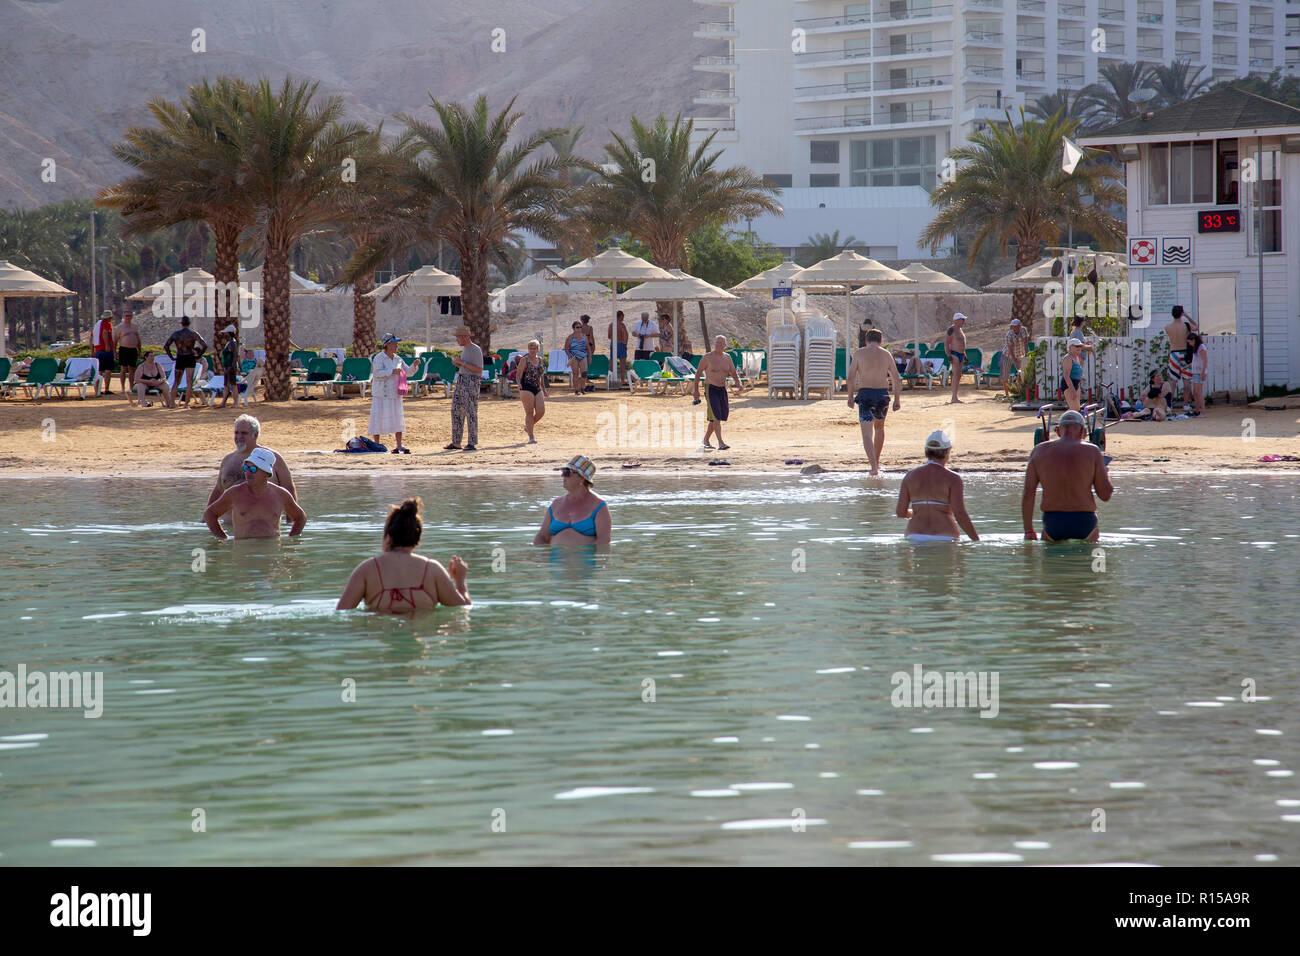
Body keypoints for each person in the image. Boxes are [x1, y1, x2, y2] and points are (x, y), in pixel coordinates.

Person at [337, 497, 471, 612]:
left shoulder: (366, 570)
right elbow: (463, 608)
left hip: (382, 631)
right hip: (421, 630)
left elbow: (341, 612)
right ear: (417, 539)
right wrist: (460, 580)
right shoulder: (433, 569)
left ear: (388, 537)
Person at [1022, 409, 1113, 543]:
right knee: (1089, 562)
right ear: (1082, 432)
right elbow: (1105, 495)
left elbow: (1028, 494)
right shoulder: (1093, 451)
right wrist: (1105, 473)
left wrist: (1028, 530)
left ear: (1058, 431)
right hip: (1085, 521)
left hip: (1053, 521)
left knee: (1051, 563)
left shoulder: (1039, 451)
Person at [209, 414, 296, 531]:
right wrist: (205, 522)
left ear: (255, 435)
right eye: (236, 433)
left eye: (244, 433)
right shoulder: (228, 460)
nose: (239, 436)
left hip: (266, 530)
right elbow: (218, 490)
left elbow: (288, 488)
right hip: (231, 529)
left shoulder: (272, 458)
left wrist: (290, 523)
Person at [203, 447, 306, 539]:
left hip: (272, 552)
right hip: (243, 552)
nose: (248, 473)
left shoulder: (280, 495)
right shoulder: (234, 493)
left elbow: (300, 517)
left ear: (267, 474)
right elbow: (210, 514)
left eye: (253, 469)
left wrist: (292, 541)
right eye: (246, 468)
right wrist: (224, 539)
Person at [896, 430, 979, 543]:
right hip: (945, 536)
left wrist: (918, 511)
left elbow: (901, 512)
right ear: (947, 451)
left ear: (926, 451)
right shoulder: (953, 478)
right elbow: (959, 513)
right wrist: (976, 540)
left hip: (915, 536)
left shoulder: (910, 476)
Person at [845, 328, 903, 477]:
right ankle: (876, 463)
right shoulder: (886, 354)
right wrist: (897, 399)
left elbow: (850, 377)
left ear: (866, 340)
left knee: (866, 434)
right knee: (879, 429)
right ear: (881, 341)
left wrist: (850, 396)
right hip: (882, 395)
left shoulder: (859, 353)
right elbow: (896, 378)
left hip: (865, 395)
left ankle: (874, 468)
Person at [533, 455, 612, 546]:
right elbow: (542, 536)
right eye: (563, 471)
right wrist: (538, 555)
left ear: (582, 478)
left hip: (585, 558)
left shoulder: (599, 506)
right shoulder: (556, 504)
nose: (562, 475)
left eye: (567, 472)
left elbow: (604, 540)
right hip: (556, 559)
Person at [692, 335, 744, 451]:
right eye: (716, 343)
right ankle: (721, 443)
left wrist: (738, 384)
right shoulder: (708, 357)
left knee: (717, 416)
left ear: (725, 345)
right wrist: (696, 391)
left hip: (722, 389)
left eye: (721, 343)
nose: (718, 345)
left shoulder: (727, 357)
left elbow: (734, 373)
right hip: (710, 388)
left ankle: (706, 440)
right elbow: (698, 373)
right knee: (716, 416)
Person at [368, 333, 416, 453]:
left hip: (394, 393)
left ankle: (399, 445)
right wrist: (391, 371)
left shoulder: (398, 358)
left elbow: (408, 372)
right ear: (387, 345)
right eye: (394, 343)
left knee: (397, 419)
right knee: (378, 418)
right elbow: (377, 374)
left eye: (396, 343)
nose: (396, 346)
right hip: (381, 393)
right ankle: (376, 444)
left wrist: (414, 366)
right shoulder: (379, 358)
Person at [446, 325, 483, 451]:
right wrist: (459, 364)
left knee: (471, 412)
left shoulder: (475, 349)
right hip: (462, 380)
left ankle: (472, 442)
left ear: (465, 337)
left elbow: (479, 369)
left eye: (458, 337)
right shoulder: (466, 349)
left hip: (471, 382)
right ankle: (456, 442)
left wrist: (461, 363)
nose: (457, 340)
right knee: (456, 411)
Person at [164, 316, 208, 408]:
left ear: (181, 323)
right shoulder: (193, 334)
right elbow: (204, 345)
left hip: (180, 357)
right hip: (189, 357)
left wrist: (172, 357)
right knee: (189, 382)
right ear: (189, 323)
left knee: (176, 381)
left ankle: (172, 403)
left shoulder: (176, 334)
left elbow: (166, 346)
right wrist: (199, 356)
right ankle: (186, 404)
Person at [516, 338, 548, 443]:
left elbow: (541, 375)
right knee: (529, 412)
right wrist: (519, 384)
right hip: (526, 387)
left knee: (541, 411)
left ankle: (528, 426)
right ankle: (531, 436)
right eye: (530, 348)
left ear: (538, 349)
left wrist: (544, 388)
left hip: (537, 387)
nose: (532, 350)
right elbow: (518, 374)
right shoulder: (524, 360)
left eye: (534, 348)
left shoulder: (540, 360)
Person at [1164, 306, 1194, 400]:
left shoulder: (1167, 327)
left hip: (1174, 354)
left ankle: (1170, 404)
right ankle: (1186, 404)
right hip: (1185, 353)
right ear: (1182, 313)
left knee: (1173, 381)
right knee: (1186, 380)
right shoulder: (1186, 325)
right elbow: (1196, 326)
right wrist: (1187, 316)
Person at [1000, 318, 1028, 397]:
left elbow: (1025, 342)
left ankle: (1021, 392)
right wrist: (1015, 361)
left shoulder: (1023, 330)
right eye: (1013, 327)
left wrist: (1027, 355)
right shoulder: (1009, 334)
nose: (1014, 328)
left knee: (1023, 373)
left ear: (1020, 326)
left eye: (1016, 326)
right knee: (1005, 374)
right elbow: (1010, 348)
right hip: (1008, 355)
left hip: (1020, 354)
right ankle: (1006, 394)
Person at [116, 310, 141, 396]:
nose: (128, 317)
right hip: (123, 349)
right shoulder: (120, 327)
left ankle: (131, 387)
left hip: (133, 349)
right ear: (124, 316)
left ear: (132, 317)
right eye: (126, 316)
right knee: (123, 369)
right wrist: (115, 352)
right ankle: (122, 387)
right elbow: (115, 340)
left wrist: (139, 350)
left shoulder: (134, 327)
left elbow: (138, 339)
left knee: (132, 369)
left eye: (129, 316)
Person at [92, 310, 116, 395]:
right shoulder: (107, 324)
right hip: (106, 349)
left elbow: (91, 338)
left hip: (98, 350)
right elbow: (105, 333)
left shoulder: (97, 325)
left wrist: (92, 350)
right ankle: (106, 389)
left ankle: (97, 390)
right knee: (108, 369)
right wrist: (107, 345)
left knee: (99, 370)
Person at [215, 324, 240, 408]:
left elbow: (235, 355)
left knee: (233, 384)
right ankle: (223, 403)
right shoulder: (229, 342)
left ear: (229, 333)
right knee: (226, 385)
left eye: (226, 333)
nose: (224, 334)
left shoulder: (232, 342)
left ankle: (236, 402)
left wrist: (232, 366)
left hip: (230, 366)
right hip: (227, 366)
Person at [945, 312, 967, 403]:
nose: (963, 321)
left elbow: (962, 343)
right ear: (957, 320)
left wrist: (965, 355)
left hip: (961, 354)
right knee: (955, 375)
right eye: (962, 320)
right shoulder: (951, 330)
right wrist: (949, 355)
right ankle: (953, 397)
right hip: (954, 354)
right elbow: (946, 343)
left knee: (959, 375)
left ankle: (956, 396)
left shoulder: (961, 330)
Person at [564, 320, 589, 396]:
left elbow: (588, 347)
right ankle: (576, 389)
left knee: (584, 372)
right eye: (577, 327)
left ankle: (582, 388)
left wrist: (590, 356)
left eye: (580, 327)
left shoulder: (584, 336)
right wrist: (568, 355)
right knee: (575, 373)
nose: (579, 329)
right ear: (573, 328)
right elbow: (566, 347)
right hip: (574, 356)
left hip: (583, 355)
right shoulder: (570, 337)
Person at [1061, 340, 1085, 412]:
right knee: (1075, 408)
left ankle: (1067, 421)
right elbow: (1066, 376)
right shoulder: (1068, 358)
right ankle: (1062, 421)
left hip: (1076, 383)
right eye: (1077, 346)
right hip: (1068, 384)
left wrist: (1078, 387)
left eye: (1080, 346)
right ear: (1070, 347)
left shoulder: (1077, 358)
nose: (1079, 348)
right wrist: (1072, 390)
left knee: (1076, 408)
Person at [1187, 332, 1208, 415]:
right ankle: (1197, 409)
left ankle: (1203, 412)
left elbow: (1205, 360)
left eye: (1190, 342)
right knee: (1195, 392)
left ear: (1193, 340)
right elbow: (1196, 361)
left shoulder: (1201, 348)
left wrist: (1203, 372)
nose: (1189, 344)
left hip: (1199, 372)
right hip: (1196, 372)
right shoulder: (1196, 348)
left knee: (1198, 393)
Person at [608, 310, 630, 380]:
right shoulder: (621, 324)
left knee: (612, 361)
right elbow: (625, 334)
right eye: (623, 316)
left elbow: (609, 336)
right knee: (622, 363)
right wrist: (625, 343)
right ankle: (622, 380)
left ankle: (610, 379)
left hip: (613, 343)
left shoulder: (611, 324)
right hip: (621, 344)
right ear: (620, 316)